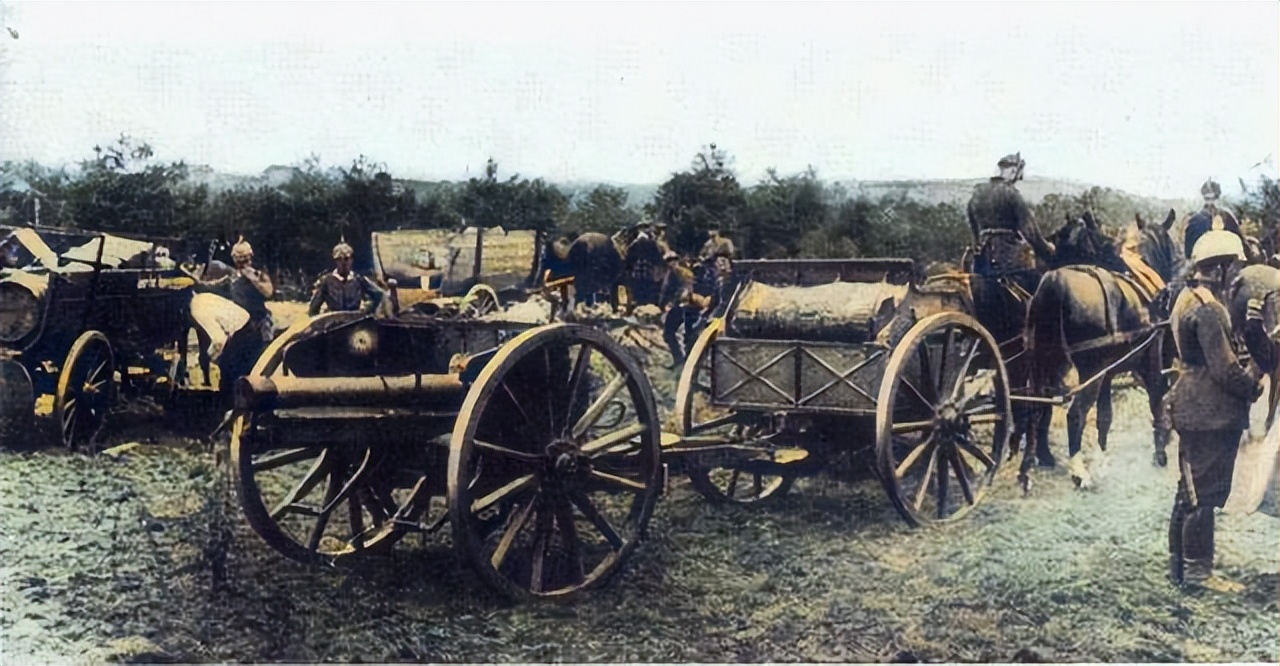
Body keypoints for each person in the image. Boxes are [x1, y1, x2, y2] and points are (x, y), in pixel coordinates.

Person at [1166, 229, 1264, 591]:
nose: (1237, 274)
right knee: (1205, 493)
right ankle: (1197, 572)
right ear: (1221, 269)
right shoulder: (1208, 308)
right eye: (1234, 266)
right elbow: (1223, 368)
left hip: (1190, 402)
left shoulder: (1185, 298)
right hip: (1210, 410)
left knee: (1188, 490)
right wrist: (1252, 385)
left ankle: (1179, 565)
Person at [966, 153, 1055, 288]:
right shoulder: (1011, 194)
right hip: (1009, 261)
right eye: (1019, 175)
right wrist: (1047, 249)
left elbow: (974, 231)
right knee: (1039, 285)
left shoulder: (977, 194)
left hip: (982, 263)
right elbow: (1030, 231)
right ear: (1014, 171)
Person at [200, 237, 275, 394]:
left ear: (251, 257)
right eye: (238, 259)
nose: (242, 262)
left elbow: (268, 292)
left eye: (245, 258)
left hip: (258, 326)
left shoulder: (259, 274)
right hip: (238, 327)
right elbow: (213, 287)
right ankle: (228, 399)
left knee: (257, 364)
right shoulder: (232, 277)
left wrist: (252, 277)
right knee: (230, 365)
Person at [308, 240, 387, 316]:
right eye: (339, 259)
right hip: (335, 323)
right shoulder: (326, 281)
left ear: (351, 260)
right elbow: (313, 309)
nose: (343, 263)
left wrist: (368, 309)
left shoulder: (358, 280)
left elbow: (379, 294)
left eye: (346, 259)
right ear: (335, 261)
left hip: (355, 322)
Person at [1183, 180, 1243, 261]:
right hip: (1221, 264)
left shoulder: (1194, 219)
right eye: (1208, 198)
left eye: (1212, 198)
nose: (1211, 202)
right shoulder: (1227, 217)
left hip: (1206, 264)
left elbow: (1188, 252)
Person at [659, 251, 699, 368]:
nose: (672, 264)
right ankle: (679, 359)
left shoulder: (684, 274)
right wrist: (662, 305)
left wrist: (674, 302)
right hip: (678, 307)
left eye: (674, 261)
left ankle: (684, 361)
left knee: (681, 333)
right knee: (670, 333)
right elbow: (664, 292)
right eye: (669, 262)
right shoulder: (670, 275)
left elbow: (685, 291)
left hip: (685, 307)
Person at [624, 223, 663, 307]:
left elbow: (628, 260)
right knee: (649, 294)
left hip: (637, 273)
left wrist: (628, 272)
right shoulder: (653, 244)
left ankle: (640, 307)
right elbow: (658, 259)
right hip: (649, 272)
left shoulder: (634, 245)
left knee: (639, 295)